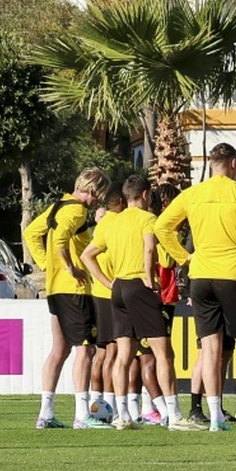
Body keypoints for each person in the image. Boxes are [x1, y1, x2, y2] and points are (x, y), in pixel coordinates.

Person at [155, 142, 236, 433]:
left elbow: (162, 227)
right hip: (232, 274)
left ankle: (215, 418)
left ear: (211, 164)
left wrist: (184, 257)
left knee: (210, 348)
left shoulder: (193, 193)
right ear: (234, 164)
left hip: (200, 277)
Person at [83, 174, 203, 432]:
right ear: (146, 195)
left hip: (119, 288)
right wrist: (149, 277)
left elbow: (87, 255)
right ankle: (174, 415)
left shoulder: (112, 222)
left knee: (124, 355)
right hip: (139, 286)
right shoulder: (148, 219)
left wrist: (108, 283)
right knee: (163, 353)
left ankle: (123, 415)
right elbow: (150, 248)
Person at [24, 167, 110, 430]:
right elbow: (60, 239)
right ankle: (82, 414)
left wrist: (47, 265)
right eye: (99, 194)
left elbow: (31, 233)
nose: (99, 200)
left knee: (59, 350)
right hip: (74, 290)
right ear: (92, 190)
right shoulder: (76, 210)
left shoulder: (57, 207)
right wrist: (69, 267)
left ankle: (46, 413)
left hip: (55, 288)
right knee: (86, 349)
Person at [87, 185, 124, 425]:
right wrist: (109, 283)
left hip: (99, 294)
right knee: (112, 351)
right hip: (108, 295)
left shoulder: (102, 226)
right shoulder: (114, 224)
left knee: (102, 353)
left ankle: (96, 404)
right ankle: (107, 407)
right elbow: (88, 256)